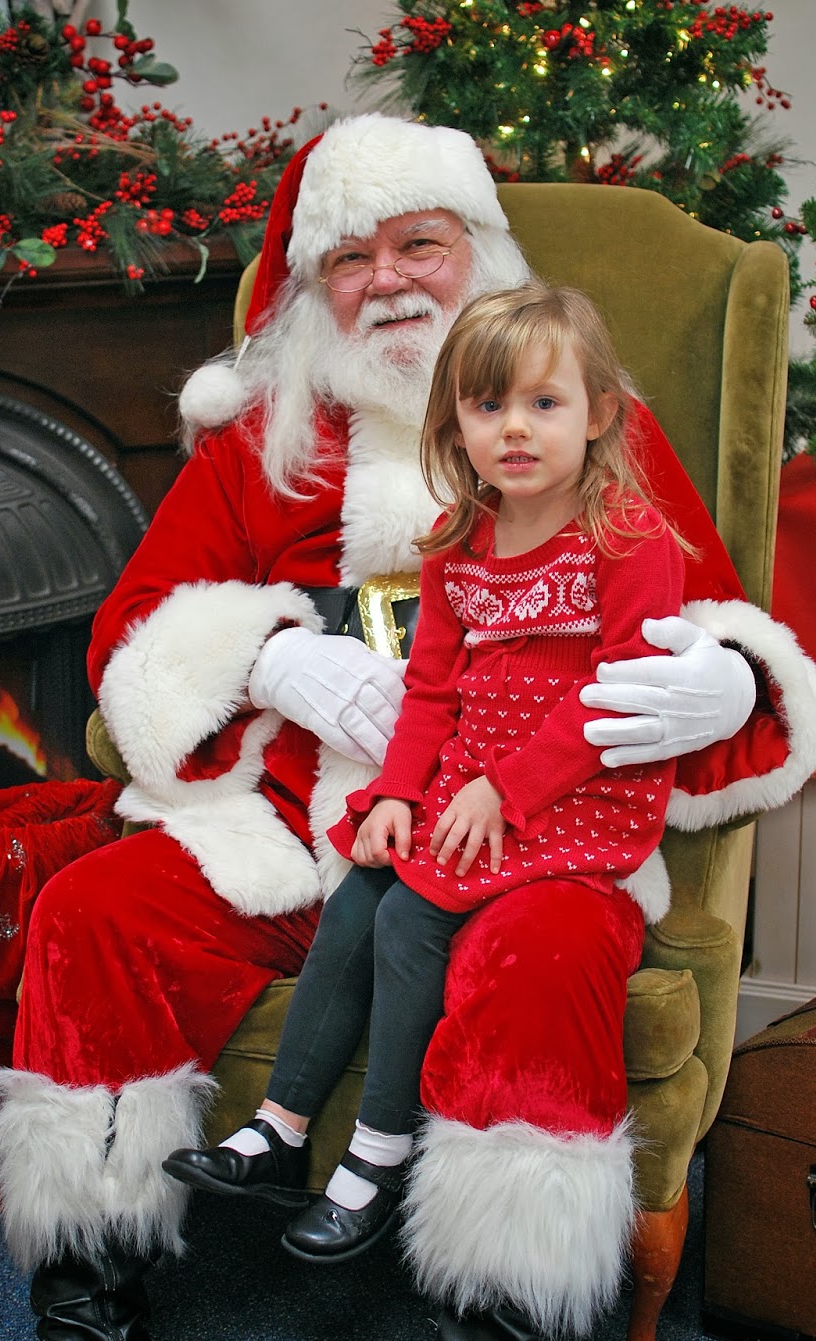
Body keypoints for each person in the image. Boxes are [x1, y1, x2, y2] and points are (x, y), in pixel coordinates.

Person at [0, 114, 816, 1341]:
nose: (390, 283)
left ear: (480, 257)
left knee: (538, 961)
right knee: (93, 913)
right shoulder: (258, 440)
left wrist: (729, 679)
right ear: (306, 290)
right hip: (293, 828)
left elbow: (710, 633)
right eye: (350, 259)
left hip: (535, 845)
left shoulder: (590, 426)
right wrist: (269, 661)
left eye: (421, 245)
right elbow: (131, 642)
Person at [163, 281, 688, 1282]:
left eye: (543, 403)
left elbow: (617, 700)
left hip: (576, 797)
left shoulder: (624, 541)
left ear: (599, 414)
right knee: (359, 895)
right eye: (488, 408)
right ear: (456, 422)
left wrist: (511, 791)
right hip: (464, 782)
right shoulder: (459, 543)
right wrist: (401, 793)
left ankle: (373, 1158)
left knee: (409, 920)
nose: (515, 430)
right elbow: (431, 691)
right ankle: (278, 1122)